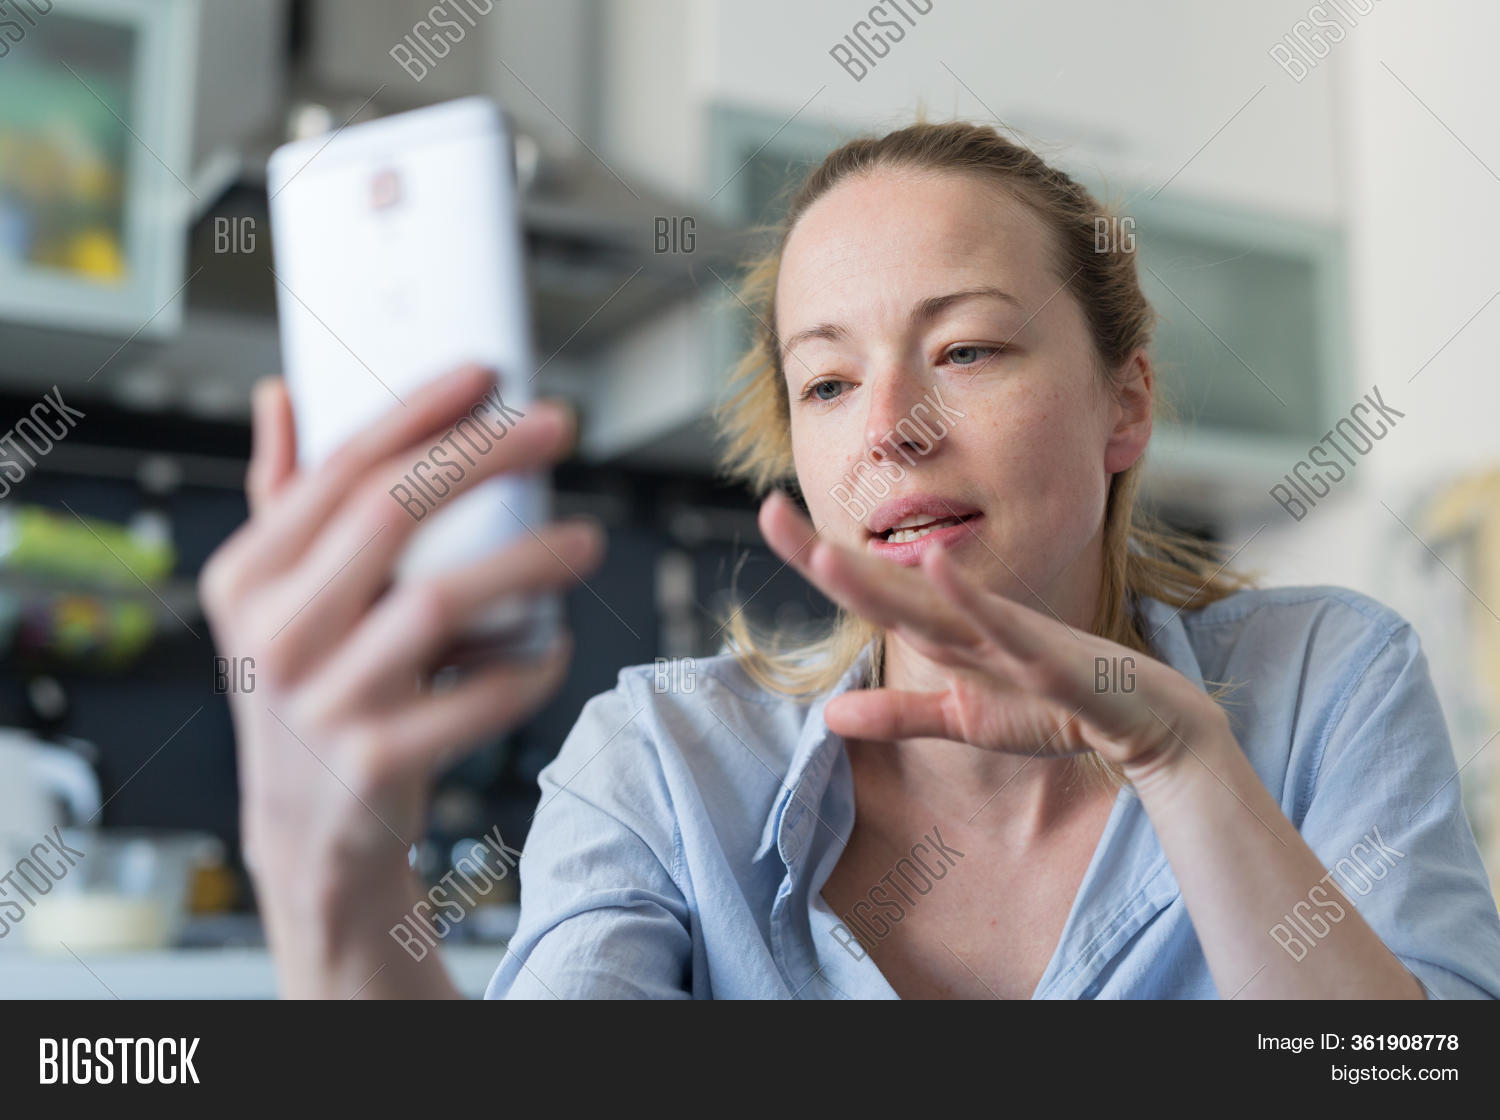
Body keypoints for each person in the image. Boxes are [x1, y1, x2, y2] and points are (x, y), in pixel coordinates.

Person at [201, 121, 1500, 998]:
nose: (890, 427)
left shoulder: (1327, 683)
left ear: (1125, 403)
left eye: (968, 349)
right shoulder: (659, 761)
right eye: (826, 381)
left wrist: (1188, 761)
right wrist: (338, 883)